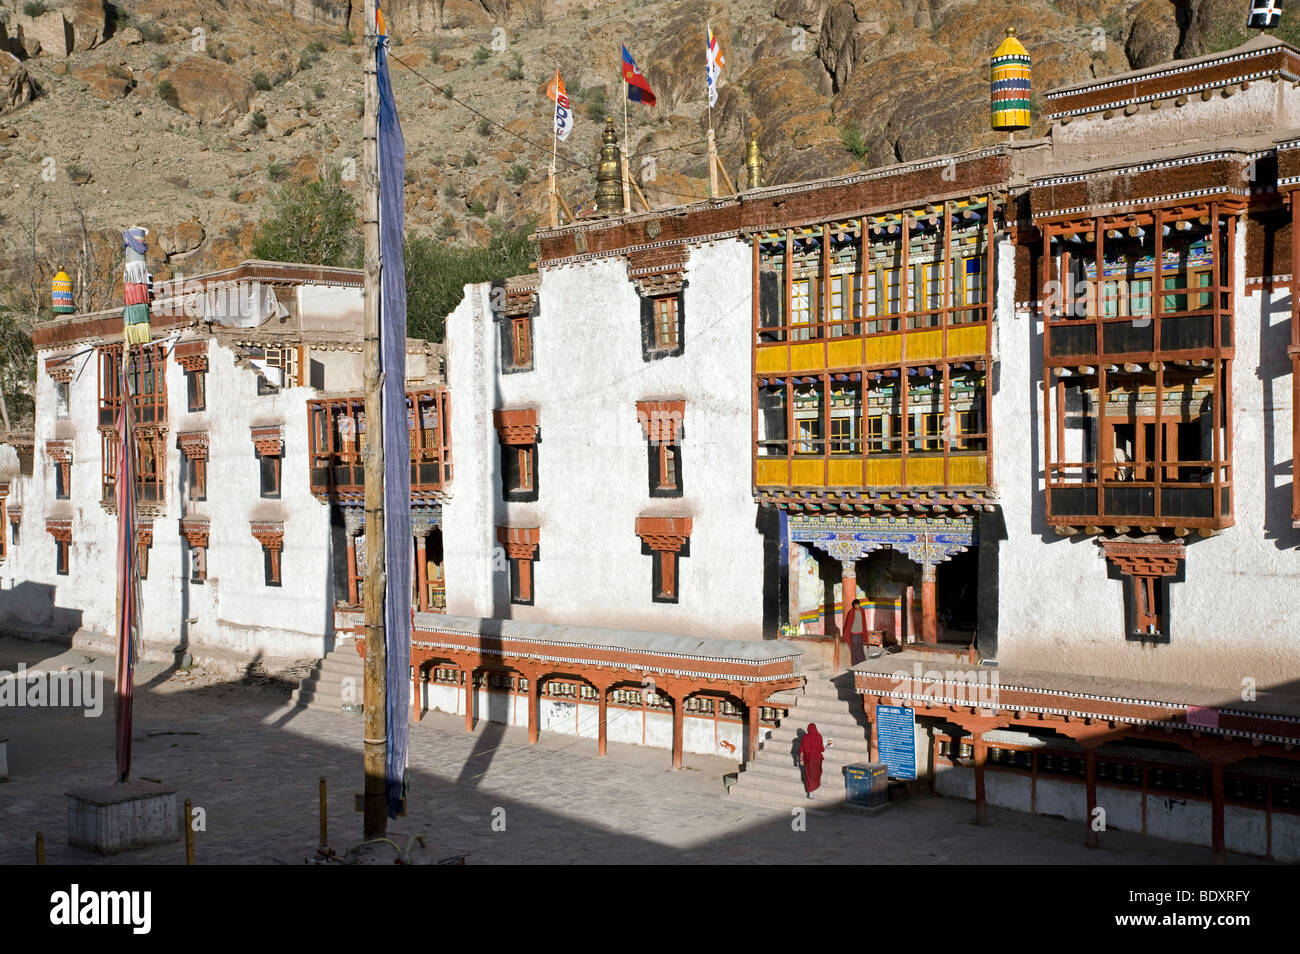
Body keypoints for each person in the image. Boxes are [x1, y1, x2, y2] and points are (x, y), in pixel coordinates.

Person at [799, 723, 825, 798]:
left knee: (809, 775)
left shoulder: (805, 737)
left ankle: (810, 792)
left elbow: (802, 749)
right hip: (817, 759)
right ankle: (816, 785)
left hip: (809, 759)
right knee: (816, 773)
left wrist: (801, 759)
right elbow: (822, 749)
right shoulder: (819, 736)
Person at [842, 598, 868, 665]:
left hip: (860, 632)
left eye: (858, 605)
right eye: (855, 605)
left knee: (860, 647)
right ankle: (855, 663)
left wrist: (864, 632)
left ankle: (862, 661)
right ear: (853, 605)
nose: (857, 606)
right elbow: (848, 623)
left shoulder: (862, 610)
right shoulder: (851, 612)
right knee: (854, 648)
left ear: (859, 605)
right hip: (854, 632)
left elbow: (864, 622)